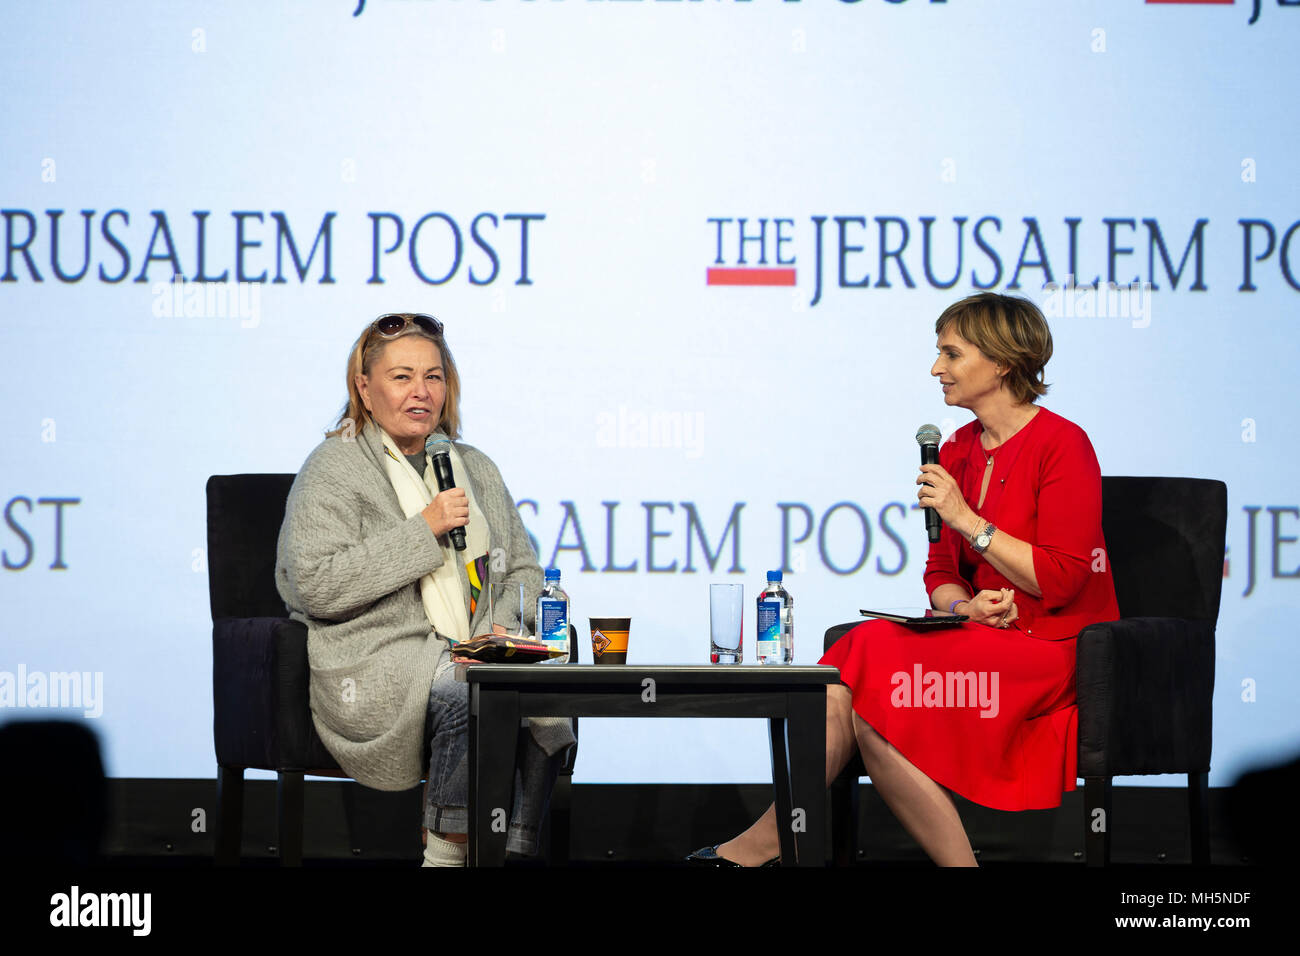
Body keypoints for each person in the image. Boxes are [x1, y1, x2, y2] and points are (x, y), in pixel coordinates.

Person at [688, 292, 1119, 866]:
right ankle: (770, 850)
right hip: (983, 636)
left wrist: (967, 518)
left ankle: (754, 852)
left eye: (951, 354)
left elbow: (1062, 580)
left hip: (1053, 649)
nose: (936, 369)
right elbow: (940, 570)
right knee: (858, 678)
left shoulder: (1063, 445)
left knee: (865, 660)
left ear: (1003, 362)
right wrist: (965, 607)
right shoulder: (959, 448)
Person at [275, 312, 574, 866]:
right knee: (470, 687)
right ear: (364, 388)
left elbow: (527, 572)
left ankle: (511, 849)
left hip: (473, 644)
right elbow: (317, 585)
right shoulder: (333, 467)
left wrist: (501, 620)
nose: (421, 392)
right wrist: (425, 530)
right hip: (377, 657)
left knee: (546, 688)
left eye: (434, 377)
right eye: (402, 377)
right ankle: (445, 856)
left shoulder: (474, 467)